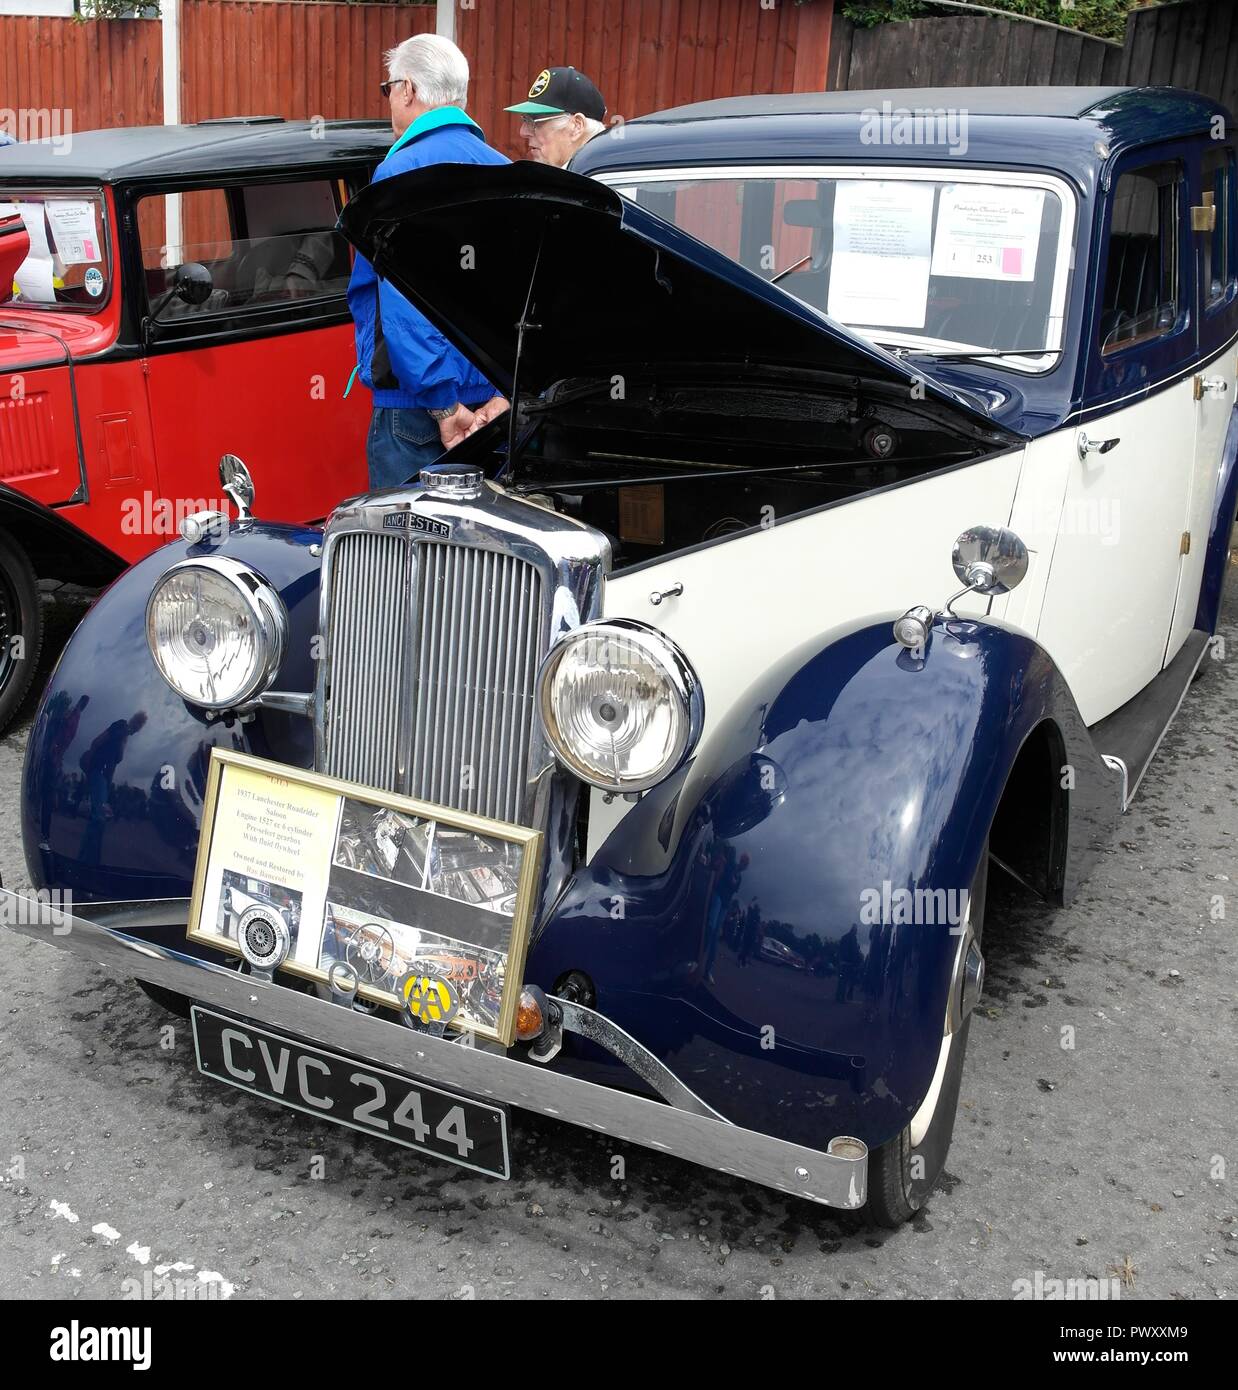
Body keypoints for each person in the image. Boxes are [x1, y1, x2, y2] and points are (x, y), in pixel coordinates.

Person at [348, 34, 510, 490]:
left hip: (416, 408)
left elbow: (403, 301)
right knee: (483, 554)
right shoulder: (503, 169)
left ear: (409, 90)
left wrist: (444, 405)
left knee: (400, 552)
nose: (390, 100)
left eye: (388, 88)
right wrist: (504, 395)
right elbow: (523, 298)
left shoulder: (399, 173)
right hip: (494, 410)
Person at [505, 67, 607, 168]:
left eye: (533, 121)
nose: (523, 132)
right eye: (524, 119)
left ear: (576, 126)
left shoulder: (605, 179)